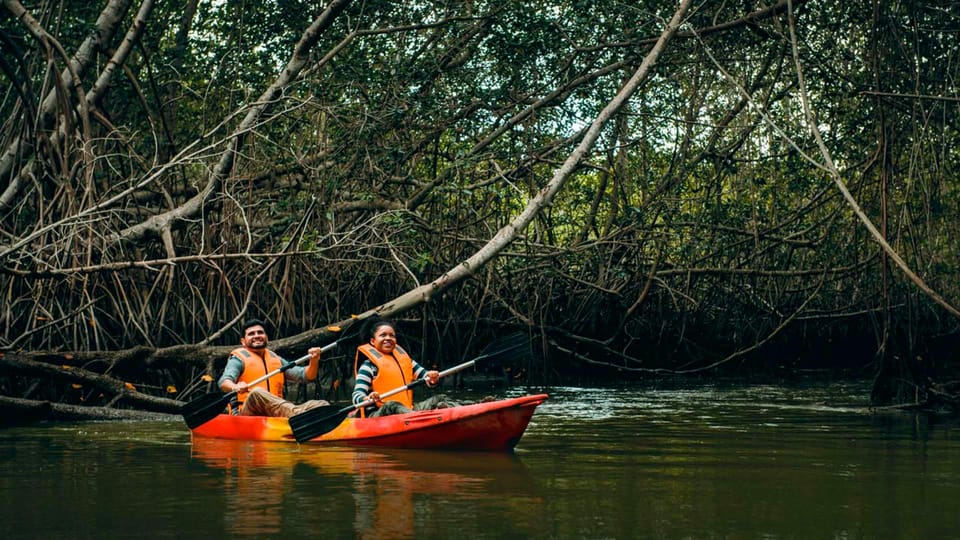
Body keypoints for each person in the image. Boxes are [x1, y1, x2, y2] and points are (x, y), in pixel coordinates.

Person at [218, 318, 330, 417]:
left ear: (266, 337)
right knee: (257, 392)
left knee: (321, 405)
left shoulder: (276, 359)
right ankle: (299, 415)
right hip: (246, 413)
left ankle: (310, 415)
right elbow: (224, 382)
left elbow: (305, 376)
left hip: (275, 411)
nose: (256, 335)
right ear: (243, 341)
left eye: (260, 332)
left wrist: (314, 360)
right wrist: (235, 387)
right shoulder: (238, 359)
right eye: (251, 334)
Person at [351, 318, 455, 417]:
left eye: (392, 336)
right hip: (380, 413)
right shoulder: (368, 366)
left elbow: (426, 378)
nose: (388, 338)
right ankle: (417, 419)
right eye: (383, 335)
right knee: (391, 405)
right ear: (373, 341)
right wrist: (368, 398)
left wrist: (432, 378)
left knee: (439, 398)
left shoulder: (406, 361)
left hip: (407, 410)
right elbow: (356, 396)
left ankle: (464, 412)